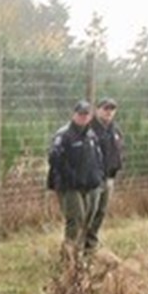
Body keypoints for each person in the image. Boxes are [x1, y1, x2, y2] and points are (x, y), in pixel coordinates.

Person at [45, 99, 109, 256]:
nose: (83, 117)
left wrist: (99, 176)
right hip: (70, 186)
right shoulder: (64, 134)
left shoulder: (91, 134)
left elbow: (98, 158)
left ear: (90, 116)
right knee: (76, 219)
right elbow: (55, 159)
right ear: (74, 114)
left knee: (89, 218)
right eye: (80, 114)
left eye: (86, 114)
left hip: (91, 184)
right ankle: (69, 257)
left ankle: (83, 253)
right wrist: (71, 178)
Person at [89, 96, 126, 249]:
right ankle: (77, 245)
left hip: (109, 177)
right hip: (93, 179)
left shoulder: (115, 129)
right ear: (97, 110)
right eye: (105, 108)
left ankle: (91, 243)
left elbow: (120, 149)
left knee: (101, 211)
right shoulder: (90, 129)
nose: (108, 112)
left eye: (112, 109)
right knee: (89, 212)